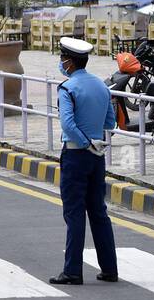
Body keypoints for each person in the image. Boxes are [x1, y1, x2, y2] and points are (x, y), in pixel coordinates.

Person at [50, 37, 118, 285]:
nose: (61, 62)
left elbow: (67, 123)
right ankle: (110, 269)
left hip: (76, 155)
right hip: (97, 157)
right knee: (99, 212)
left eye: (61, 58)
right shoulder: (102, 86)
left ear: (68, 62)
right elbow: (110, 122)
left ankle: (72, 271)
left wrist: (85, 141)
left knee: (75, 214)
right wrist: (94, 139)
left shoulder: (67, 88)